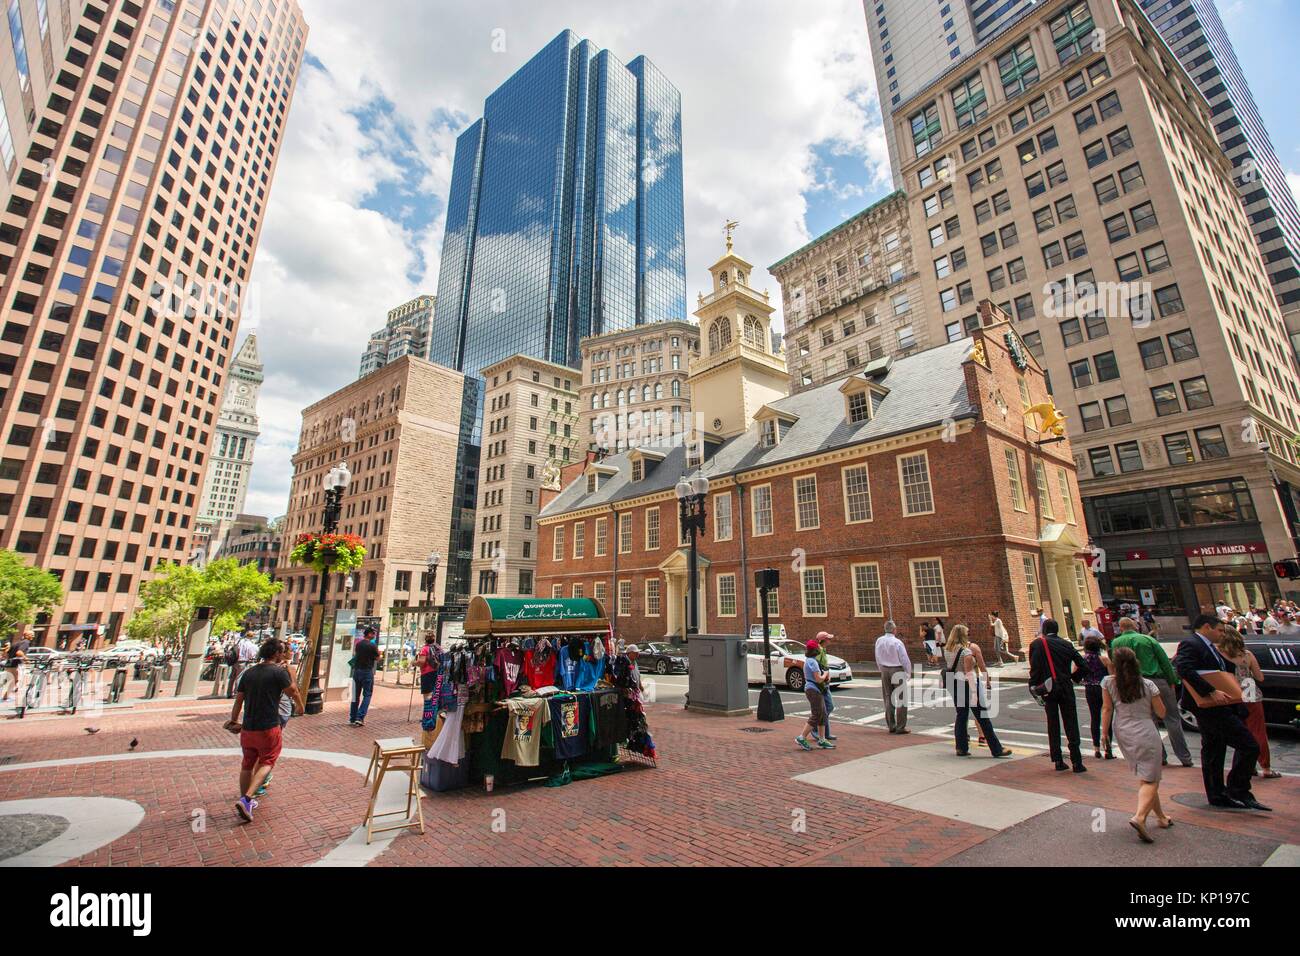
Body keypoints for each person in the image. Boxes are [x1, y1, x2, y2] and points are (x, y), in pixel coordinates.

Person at [1173, 615, 1269, 811]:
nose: (1223, 634)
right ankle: (1238, 788)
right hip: (1208, 705)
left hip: (1219, 703)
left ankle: (1217, 794)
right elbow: (1183, 668)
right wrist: (1210, 690)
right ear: (1207, 627)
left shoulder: (1208, 646)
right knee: (1249, 745)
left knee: (1213, 749)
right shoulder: (1191, 643)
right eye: (1220, 630)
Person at [227, 638, 304, 823]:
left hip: (248, 727)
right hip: (268, 725)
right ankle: (247, 798)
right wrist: (301, 707)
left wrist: (233, 720)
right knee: (268, 761)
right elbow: (293, 691)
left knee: (247, 764)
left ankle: (245, 798)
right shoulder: (278, 673)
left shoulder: (249, 673)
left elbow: (239, 700)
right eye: (282, 651)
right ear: (277, 653)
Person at [1102, 646, 1173, 843]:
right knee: (1151, 779)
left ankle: (1161, 817)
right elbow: (1161, 713)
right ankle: (1140, 817)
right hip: (1144, 730)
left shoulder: (1108, 683)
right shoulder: (1148, 684)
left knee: (1146, 775)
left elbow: (1107, 709)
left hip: (1122, 730)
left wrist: (1103, 734)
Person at [1110, 616, 1192, 767]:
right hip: (1157, 679)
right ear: (1135, 626)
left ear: (1121, 628)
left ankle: (1161, 756)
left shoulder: (1116, 642)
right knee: (1172, 719)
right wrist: (1173, 680)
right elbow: (1165, 662)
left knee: (1150, 720)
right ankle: (1185, 757)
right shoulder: (1148, 640)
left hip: (1135, 683)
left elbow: (1116, 665)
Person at [1219, 627, 1281, 780]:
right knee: (1258, 731)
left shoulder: (1220, 655)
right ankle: (1266, 767)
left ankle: (1248, 765)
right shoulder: (1247, 655)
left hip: (1231, 693)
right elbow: (1260, 677)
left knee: (1240, 731)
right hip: (1250, 691)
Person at [942, 625, 1011, 758]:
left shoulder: (948, 650)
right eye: (967, 633)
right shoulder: (966, 652)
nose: (969, 634)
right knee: (983, 717)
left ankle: (961, 747)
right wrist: (975, 693)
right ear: (963, 635)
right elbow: (969, 674)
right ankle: (996, 749)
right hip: (967, 685)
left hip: (954, 684)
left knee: (961, 715)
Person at [1029, 619, 1088, 772]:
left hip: (1049, 687)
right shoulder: (1067, 644)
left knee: (1053, 722)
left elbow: (1034, 668)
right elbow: (1083, 665)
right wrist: (1074, 677)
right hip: (1066, 686)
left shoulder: (1037, 644)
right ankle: (1077, 761)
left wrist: (1034, 685)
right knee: (1071, 722)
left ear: (1044, 629)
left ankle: (1058, 760)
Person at [795, 641, 834, 751]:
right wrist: (826, 674)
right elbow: (818, 679)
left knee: (823, 714)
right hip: (813, 690)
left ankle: (822, 739)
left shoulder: (810, 661)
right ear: (815, 650)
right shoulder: (812, 662)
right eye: (817, 648)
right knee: (817, 714)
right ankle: (801, 737)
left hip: (814, 689)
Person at [874, 621, 911, 734]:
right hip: (897, 669)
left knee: (888, 697)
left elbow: (877, 655)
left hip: (884, 669)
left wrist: (881, 668)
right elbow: (904, 658)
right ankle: (900, 727)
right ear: (894, 630)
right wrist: (908, 672)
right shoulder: (897, 642)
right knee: (901, 698)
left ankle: (891, 725)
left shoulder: (879, 640)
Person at [1080, 634, 1113, 759]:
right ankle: (1108, 749)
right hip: (1103, 688)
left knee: (1094, 718)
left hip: (1089, 689)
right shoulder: (1104, 659)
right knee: (1107, 716)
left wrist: (1085, 679)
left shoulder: (1083, 659)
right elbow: (1111, 676)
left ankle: (1096, 748)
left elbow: (1074, 673)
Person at [349, 627, 381, 727]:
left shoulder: (359, 644)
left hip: (357, 671)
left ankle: (352, 717)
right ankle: (360, 717)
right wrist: (379, 654)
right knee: (367, 695)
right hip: (367, 671)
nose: (374, 635)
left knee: (355, 695)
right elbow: (377, 658)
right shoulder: (372, 646)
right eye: (373, 634)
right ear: (369, 634)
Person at [813, 631, 837, 741]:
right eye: (828, 639)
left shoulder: (823, 650)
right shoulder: (818, 651)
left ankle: (826, 733)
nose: (830, 641)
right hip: (821, 683)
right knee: (827, 707)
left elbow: (825, 666)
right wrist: (825, 676)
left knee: (826, 707)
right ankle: (814, 728)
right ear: (823, 640)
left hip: (825, 682)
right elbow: (819, 667)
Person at [416, 630, 439, 704]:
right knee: (435, 694)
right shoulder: (438, 648)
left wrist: (414, 663)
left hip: (427, 674)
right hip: (437, 672)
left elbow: (421, 662)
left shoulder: (425, 649)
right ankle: (433, 712)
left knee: (427, 696)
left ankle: (428, 712)